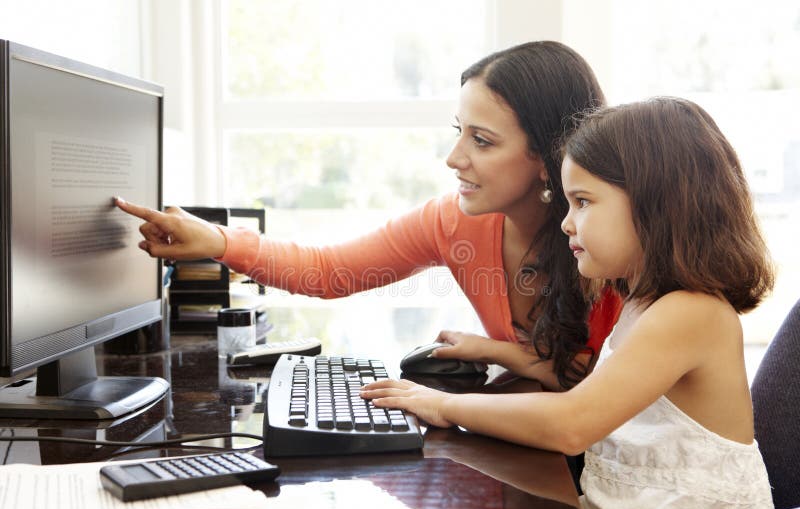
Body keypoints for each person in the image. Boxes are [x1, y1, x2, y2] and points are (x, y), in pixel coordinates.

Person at [362, 97, 776, 509]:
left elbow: (572, 422)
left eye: (582, 201)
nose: (566, 222)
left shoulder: (689, 313)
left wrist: (443, 406)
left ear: (654, 204)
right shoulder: (643, 300)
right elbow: (589, 384)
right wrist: (496, 351)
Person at [116, 41, 622, 391]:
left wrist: (495, 353)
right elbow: (329, 271)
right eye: (459, 130)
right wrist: (217, 242)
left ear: (546, 157)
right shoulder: (454, 222)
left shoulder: (616, 240)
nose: (453, 157)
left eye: (482, 140)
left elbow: (600, 381)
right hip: (537, 442)